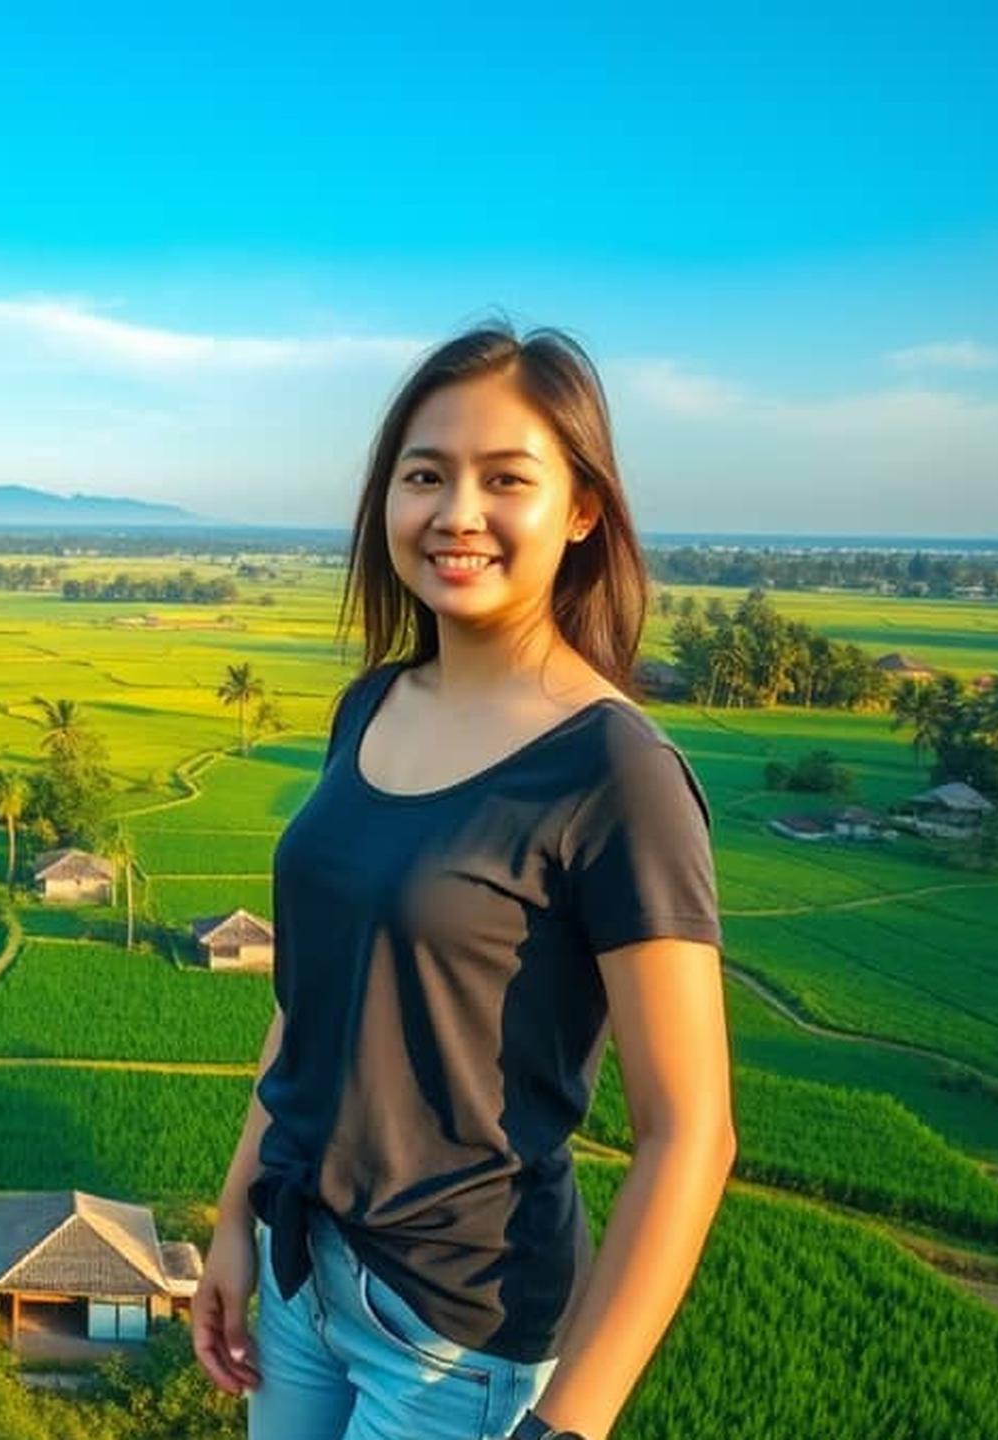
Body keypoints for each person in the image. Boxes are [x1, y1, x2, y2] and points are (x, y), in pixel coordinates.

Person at [191, 321, 736, 1440]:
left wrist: (566, 1427)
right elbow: (306, 1010)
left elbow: (692, 1133)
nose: (456, 514)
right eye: (424, 475)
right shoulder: (370, 708)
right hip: (302, 1279)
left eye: (506, 480)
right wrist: (234, 1218)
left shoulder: (614, 772)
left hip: (455, 1342)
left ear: (581, 510)